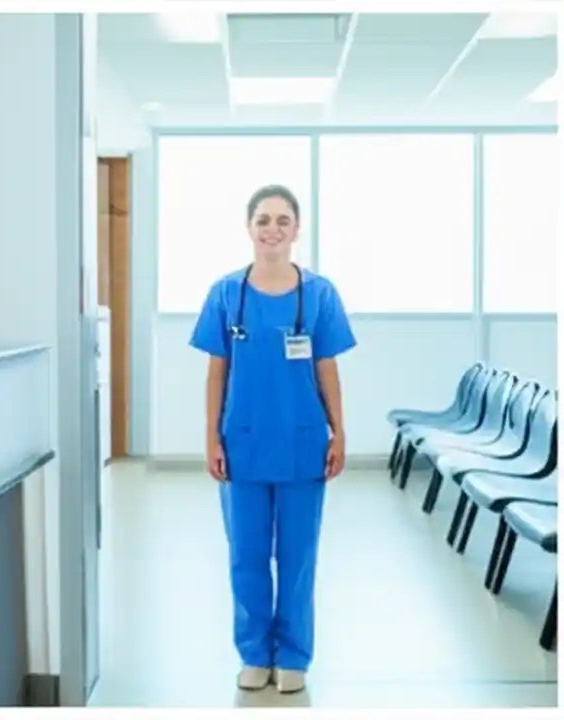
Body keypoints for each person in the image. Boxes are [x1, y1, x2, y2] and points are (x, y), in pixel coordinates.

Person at [189, 184, 357, 694]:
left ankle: (294, 656)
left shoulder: (319, 294)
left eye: (283, 220)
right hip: (241, 444)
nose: (273, 229)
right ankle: (254, 653)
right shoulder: (226, 293)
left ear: (297, 229)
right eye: (263, 219)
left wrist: (339, 432)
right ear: (249, 227)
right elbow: (216, 372)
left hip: (303, 443)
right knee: (247, 555)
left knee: (298, 557)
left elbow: (327, 369)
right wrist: (211, 438)